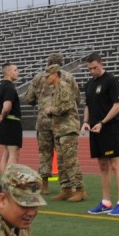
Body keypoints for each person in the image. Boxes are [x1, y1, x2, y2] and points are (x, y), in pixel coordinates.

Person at [81, 52, 119, 216]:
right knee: (102, 166)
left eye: (94, 67)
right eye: (89, 69)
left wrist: (102, 123)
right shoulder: (89, 84)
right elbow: (88, 105)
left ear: (102, 64)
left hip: (109, 128)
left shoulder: (111, 81)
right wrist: (85, 122)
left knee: (115, 164)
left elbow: (117, 106)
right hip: (95, 129)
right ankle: (106, 202)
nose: (92, 71)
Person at [40, 64, 86, 202]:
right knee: (61, 161)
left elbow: (67, 106)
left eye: (48, 75)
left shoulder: (64, 86)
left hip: (68, 128)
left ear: (55, 74)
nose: (46, 78)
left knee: (71, 160)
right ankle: (66, 189)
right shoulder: (55, 89)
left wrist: (51, 110)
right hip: (59, 129)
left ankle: (79, 190)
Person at [23, 53, 67, 193]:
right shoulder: (65, 77)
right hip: (61, 121)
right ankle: (65, 186)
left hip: (43, 121)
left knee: (44, 153)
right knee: (62, 154)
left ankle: (45, 186)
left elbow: (29, 98)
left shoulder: (38, 78)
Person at [0, 61, 23, 172]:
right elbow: (7, 106)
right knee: (14, 154)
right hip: (12, 123)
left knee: (5, 154)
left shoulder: (0, 86)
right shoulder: (10, 87)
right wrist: (2, 116)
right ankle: (9, 184)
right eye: (15, 70)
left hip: (4, 125)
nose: (18, 72)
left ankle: (4, 184)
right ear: (9, 73)